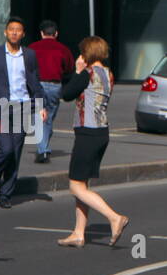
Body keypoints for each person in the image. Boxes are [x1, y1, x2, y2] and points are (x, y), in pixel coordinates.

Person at [55, 37, 128, 248]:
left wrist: (77, 71)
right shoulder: (108, 73)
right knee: (83, 183)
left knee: (75, 187)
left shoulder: (87, 74)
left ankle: (114, 218)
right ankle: (78, 233)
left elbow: (66, 94)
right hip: (101, 131)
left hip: (87, 133)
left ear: (88, 53)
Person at [0, 16, 47, 208]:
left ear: (23, 34)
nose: (14, 32)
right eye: (11, 29)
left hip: (23, 107)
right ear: (5, 32)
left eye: (18, 30)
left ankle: (6, 194)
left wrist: (40, 106)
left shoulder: (30, 55)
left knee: (15, 152)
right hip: (0, 107)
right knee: (6, 148)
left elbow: (35, 82)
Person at [29, 20, 73, 164]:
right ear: (56, 34)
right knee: (48, 116)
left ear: (41, 33)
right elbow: (69, 68)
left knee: (40, 116)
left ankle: (43, 148)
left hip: (37, 85)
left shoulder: (32, 48)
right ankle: (43, 149)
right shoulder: (63, 49)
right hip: (55, 85)